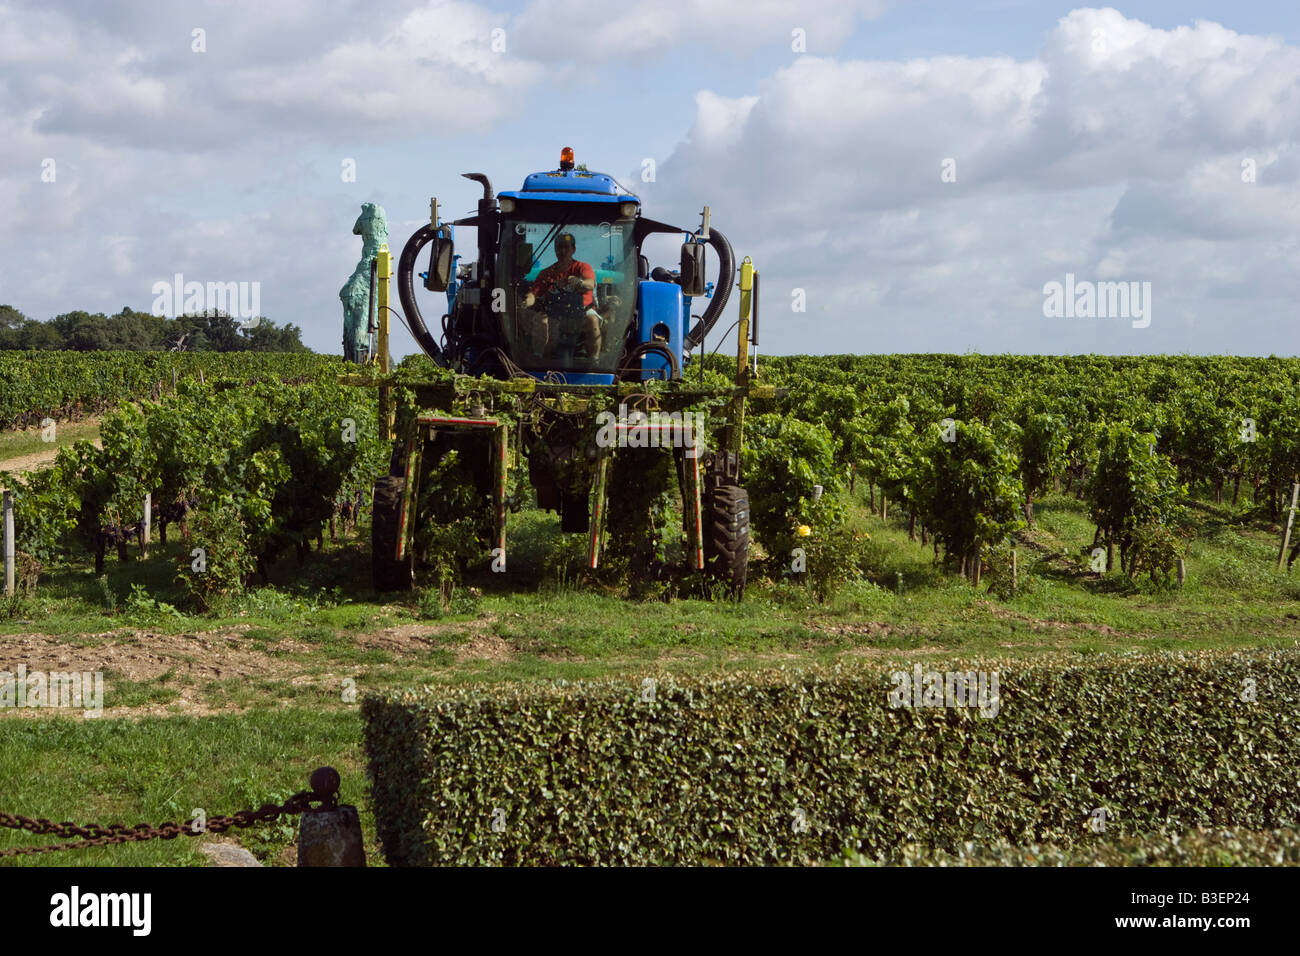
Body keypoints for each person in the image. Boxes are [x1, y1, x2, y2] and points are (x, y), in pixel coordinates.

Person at [522, 232, 602, 359]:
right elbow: (534, 294)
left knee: (593, 320)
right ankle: (537, 358)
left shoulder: (582, 268)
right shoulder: (546, 273)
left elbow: (590, 284)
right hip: (554, 313)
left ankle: (594, 361)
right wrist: (526, 302)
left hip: (582, 312)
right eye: (559, 247)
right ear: (555, 250)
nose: (563, 251)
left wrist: (579, 282)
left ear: (573, 249)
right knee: (539, 319)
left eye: (566, 247)